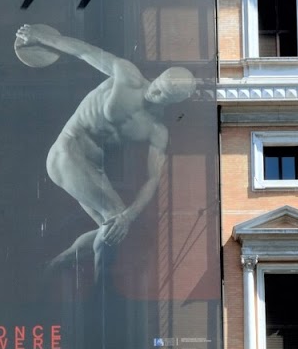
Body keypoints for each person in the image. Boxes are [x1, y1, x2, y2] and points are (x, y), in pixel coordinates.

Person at [13, 23, 197, 278]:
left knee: (110, 232)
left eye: (163, 95)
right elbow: (84, 51)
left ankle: (54, 266)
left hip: (93, 169)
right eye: (157, 85)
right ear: (159, 76)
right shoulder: (128, 76)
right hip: (68, 152)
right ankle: (104, 294)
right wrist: (41, 37)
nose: (154, 93)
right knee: (113, 219)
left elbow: (153, 179)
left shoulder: (157, 130)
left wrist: (129, 217)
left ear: (173, 102)